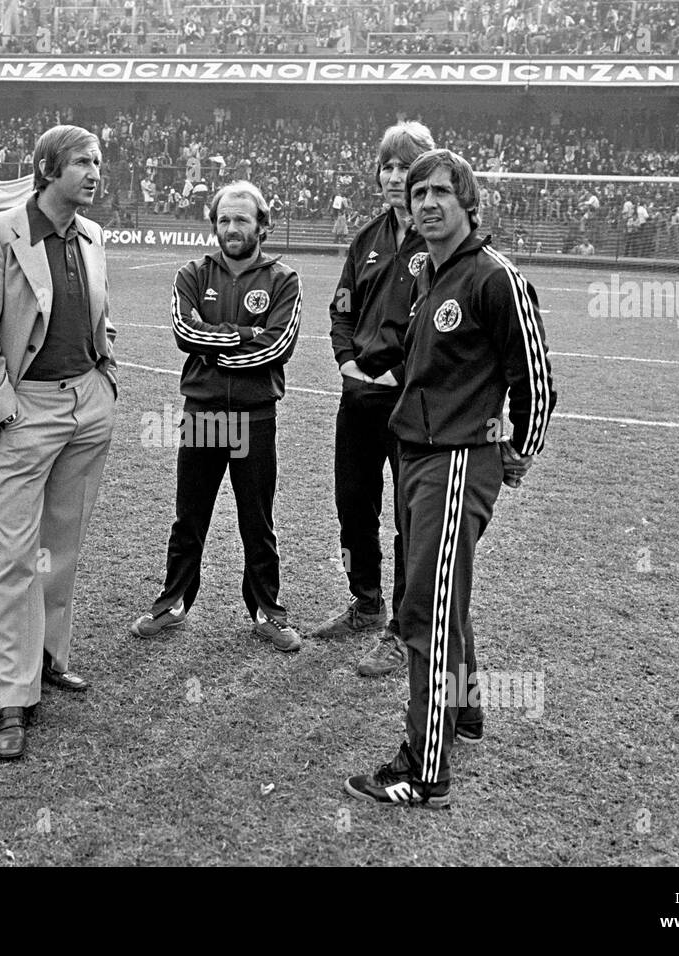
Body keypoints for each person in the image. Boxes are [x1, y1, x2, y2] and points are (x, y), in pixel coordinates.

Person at [344, 149, 556, 808]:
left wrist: (518, 450)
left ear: (470, 204)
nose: (427, 202)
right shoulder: (430, 275)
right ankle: (464, 713)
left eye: (441, 191)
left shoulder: (495, 278)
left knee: (423, 609)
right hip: (417, 452)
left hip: (460, 457)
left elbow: (537, 382)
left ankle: (422, 770)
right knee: (443, 595)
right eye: (418, 193)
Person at [0, 125, 117, 762]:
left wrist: (107, 374)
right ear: (48, 168)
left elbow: (100, 315)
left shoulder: (94, 235)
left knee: (63, 547)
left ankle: (50, 659)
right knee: (17, 556)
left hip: (88, 404)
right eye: (82, 161)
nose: (95, 171)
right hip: (30, 411)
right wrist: (7, 410)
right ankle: (13, 695)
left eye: (99, 161)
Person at [130, 181, 303, 653]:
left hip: (254, 416)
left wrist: (218, 346)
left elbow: (279, 346)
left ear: (261, 226)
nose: (231, 228)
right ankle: (173, 601)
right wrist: (245, 337)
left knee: (257, 518)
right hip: (202, 412)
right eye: (224, 219)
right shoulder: (192, 273)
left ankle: (267, 611)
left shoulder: (284, 280)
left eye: (241, 219)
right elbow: (185, 333)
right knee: (190, 515)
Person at [311, 122, 435, 681]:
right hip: (357, 396)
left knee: (411, 517)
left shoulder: (440, 243)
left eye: (404, 166)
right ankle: (366, 603)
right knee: (353, 504)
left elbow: (444, 330)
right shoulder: (366, 239)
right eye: (385, 166)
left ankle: (401, 633)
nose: (392, 176)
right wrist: (346, 360)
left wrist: (400, 375)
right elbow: (341, 308)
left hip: (412, 404)